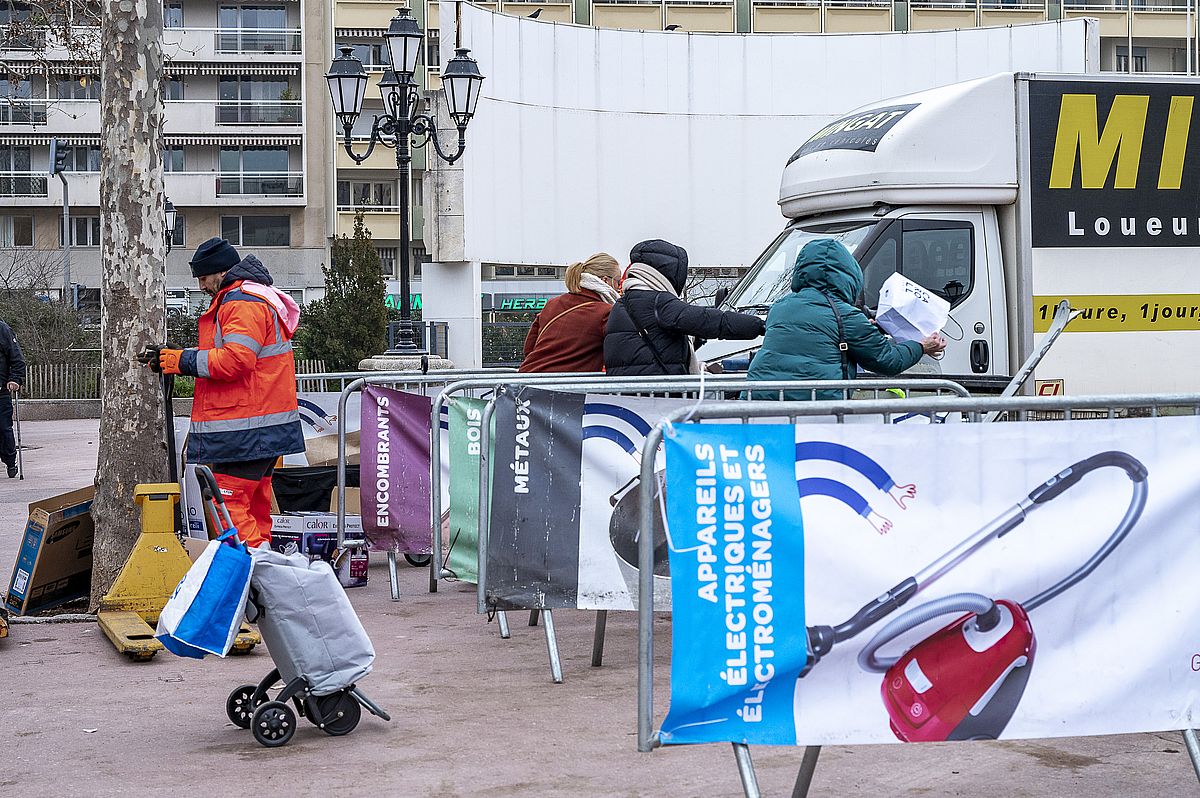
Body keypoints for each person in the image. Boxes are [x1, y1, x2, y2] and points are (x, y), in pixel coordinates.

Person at [143, 237, 304, 548]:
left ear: (221, 272)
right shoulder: (251, 298)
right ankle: (266, 575)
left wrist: (182, 360)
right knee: (255, 510)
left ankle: (255, 573)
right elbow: (232, 353)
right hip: (261, 428)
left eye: (203, 278)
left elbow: (235, 360)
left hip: (248, 430)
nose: (201, 286)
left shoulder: (241, 303)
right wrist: (178, 357)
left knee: (229, 506)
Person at [747, 238, 946, 400]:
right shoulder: (846, 315)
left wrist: (860, 327)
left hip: (759, 402)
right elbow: (888, 361)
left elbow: (816, 336)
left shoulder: (780, 307)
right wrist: (922, 346)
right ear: (849, 276)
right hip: (814, 411)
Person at [604, 239, 764, 376]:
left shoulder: (623, 303)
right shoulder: (658, 302)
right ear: (668, 272)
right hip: (659, 400)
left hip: (632, 402)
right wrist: (760, 325)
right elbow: (708, 320)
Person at [519, 253, 621, 373]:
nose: (619, 287)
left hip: (528, 378)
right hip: (564, 385)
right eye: (618, 282)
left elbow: (529, 347)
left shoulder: (552, 304)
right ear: (606, 280)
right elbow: (618, 352)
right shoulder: (606, 312)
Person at [1, 318, 26, 478]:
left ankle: (10, 460)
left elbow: (17, 359)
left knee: (3, 429)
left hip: (0, 392)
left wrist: (15, 379)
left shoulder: (2, 329)